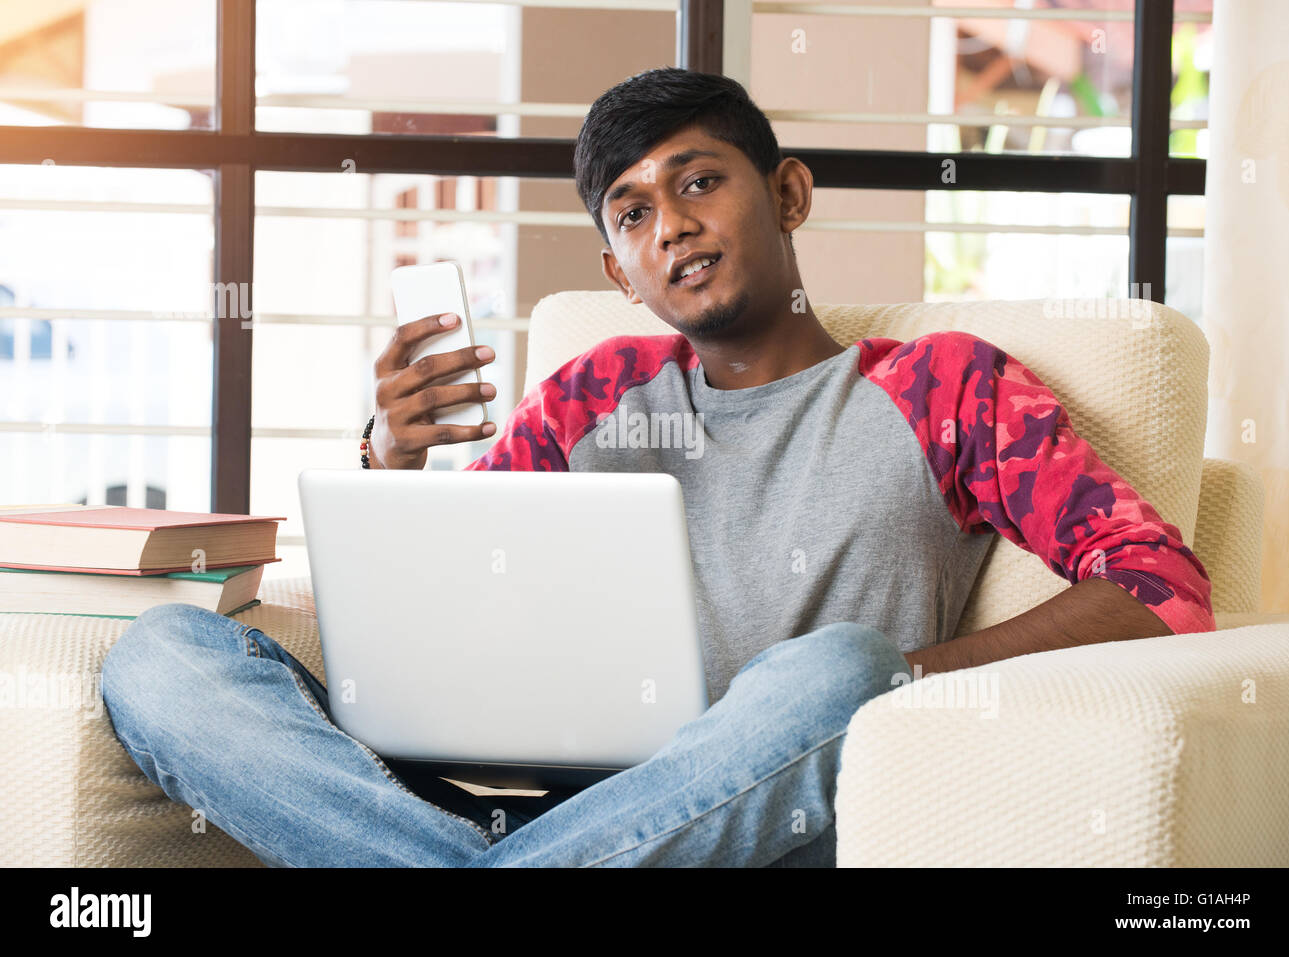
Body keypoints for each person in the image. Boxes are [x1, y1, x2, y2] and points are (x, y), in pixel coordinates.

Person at [101, 67, 1214, 867]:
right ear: (618, 269)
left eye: (697, 183)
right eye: (633, 212)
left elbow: (1160, 590)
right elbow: (437, 614)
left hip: (764, 813)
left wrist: (891, 687)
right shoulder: (594, 389)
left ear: (786, 194)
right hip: (528, 807)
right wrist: (389, 462)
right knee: (162, 656)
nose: (670, 226)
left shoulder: (942, 384)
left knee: (832, 668)